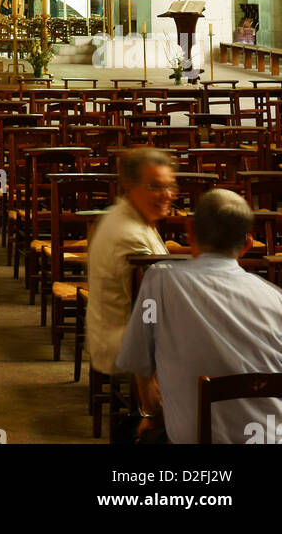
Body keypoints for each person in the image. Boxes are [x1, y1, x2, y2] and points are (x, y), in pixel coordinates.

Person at [117, 189, 282, 444]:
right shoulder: (276, 299)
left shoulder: (159, 281)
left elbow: (139, 362)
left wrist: (152, 414)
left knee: (129, 431)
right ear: (248, 244)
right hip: (269, 439)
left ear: (190, 232)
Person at [85, 147, 179, 378]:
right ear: (129, 186)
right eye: (155, 187)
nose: (166, 195)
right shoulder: (129, 235)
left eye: (170, 186)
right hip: (122, 341)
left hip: (131, 329)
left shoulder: (131, 215)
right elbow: (151, 311)